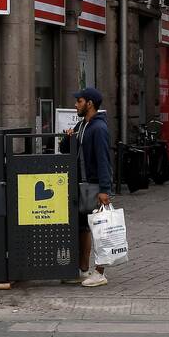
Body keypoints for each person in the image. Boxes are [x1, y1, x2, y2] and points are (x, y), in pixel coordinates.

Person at [63, 87, 113, 288]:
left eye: (79, 101)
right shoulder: (83, 125)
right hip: (83, 184)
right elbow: (67, 150)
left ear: (90, 103)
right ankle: (83, 270)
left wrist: (104, 190)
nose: (76, 104)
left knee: (100, 228)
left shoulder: (98, 128)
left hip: (94, 185)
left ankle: (100, 272)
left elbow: (104, 160)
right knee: (83, 226)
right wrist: (68, 139)